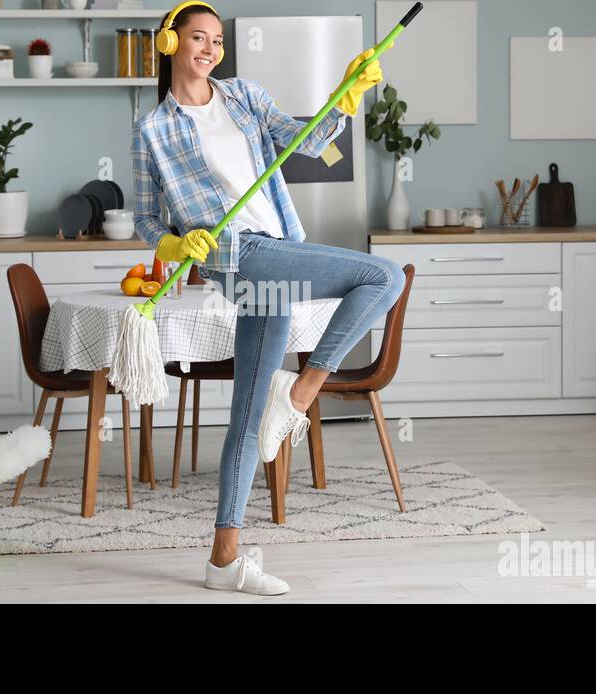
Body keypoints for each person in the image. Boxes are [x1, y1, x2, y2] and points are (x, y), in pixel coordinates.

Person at [132, 1, 405, 595]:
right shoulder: (153, 129)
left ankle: (223, 560)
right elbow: (146, 219)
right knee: (384, 277)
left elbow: (305, 140)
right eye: (197, 38)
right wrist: (176, 245)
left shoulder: (244, 97)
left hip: (277, 246)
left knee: (248, 419)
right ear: (171, 43)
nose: (209, 49)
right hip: (235, 256)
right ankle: (303, 392)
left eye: (217, 41)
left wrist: (346, 92)